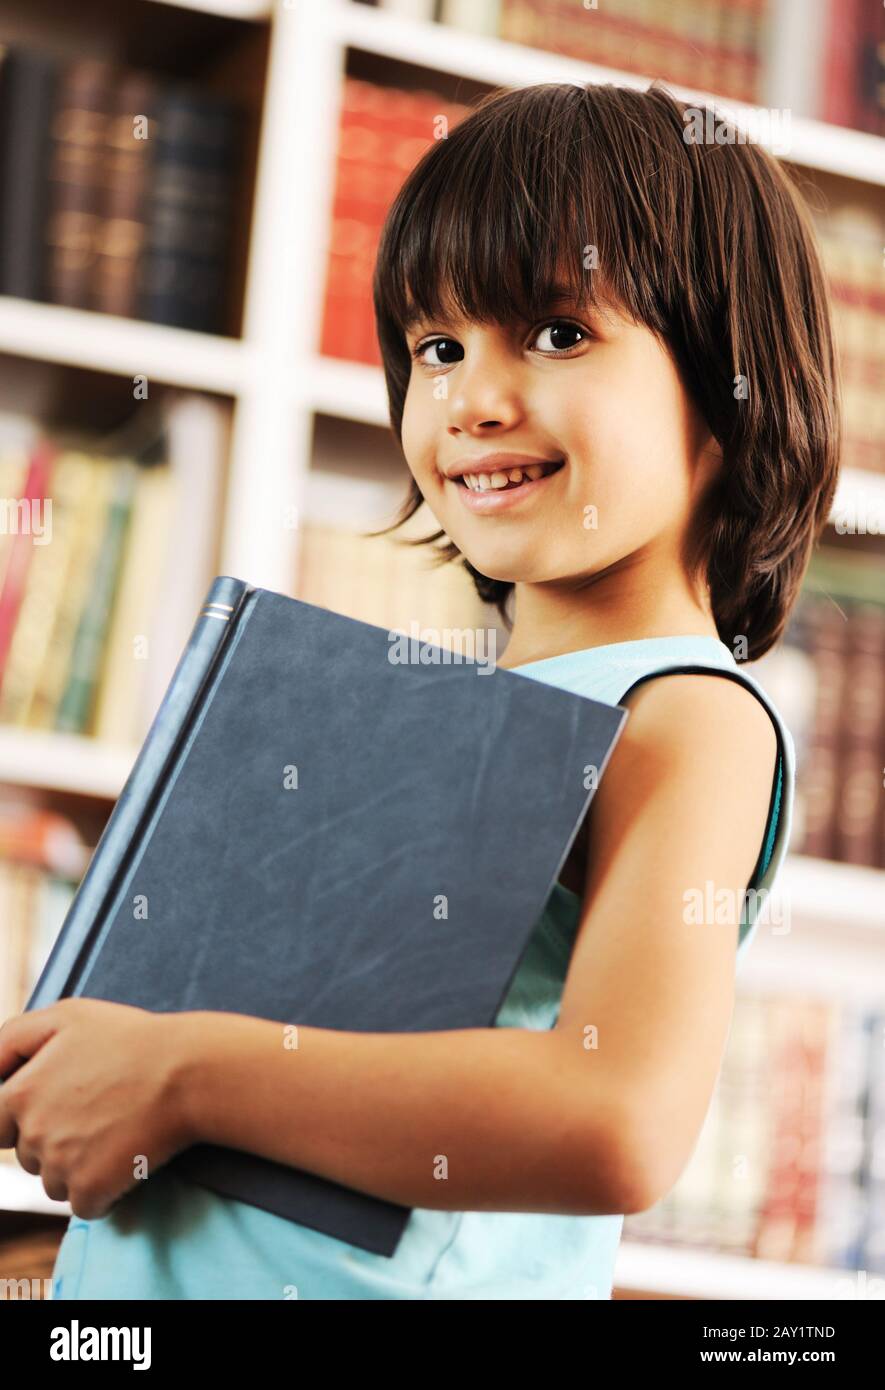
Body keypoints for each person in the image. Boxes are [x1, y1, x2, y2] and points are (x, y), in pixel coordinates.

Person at [1, 80, 839, 1299]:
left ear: (729, 375)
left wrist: (180, 1074)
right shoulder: (454, 707)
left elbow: (619, 1116)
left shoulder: (688, 712)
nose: (472, 400)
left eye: (557, 333)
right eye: (437, 348)